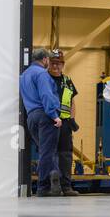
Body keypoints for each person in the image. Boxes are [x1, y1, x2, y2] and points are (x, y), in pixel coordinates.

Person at [19, 47, 63, 197]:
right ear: (44, 59)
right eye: (48, 60)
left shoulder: (23, 76)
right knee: (47, 151)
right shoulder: (42, 74)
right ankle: (43, 187)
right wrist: (54, 115)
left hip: (31, 116)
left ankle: (53, 175)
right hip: (45, 115)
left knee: (44, 150)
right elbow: (46, 95)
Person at [47, 50, 81, 197]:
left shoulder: (67, 81)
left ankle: (66, 187)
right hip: (49, 122)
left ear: (63, 65)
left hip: (65, 124)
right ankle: (51, 187)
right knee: (49, 155)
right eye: (53, 63)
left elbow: (72, 102)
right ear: (48, 63)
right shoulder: (44, 79)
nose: (55, 66)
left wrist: (72, 119)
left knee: (66, 155)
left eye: (58, 63)